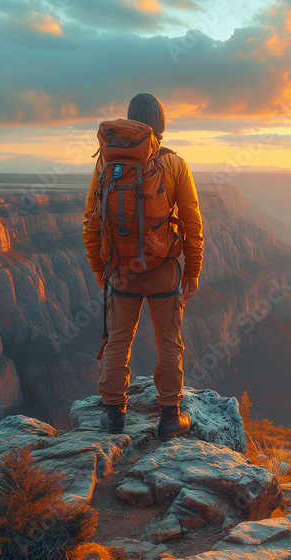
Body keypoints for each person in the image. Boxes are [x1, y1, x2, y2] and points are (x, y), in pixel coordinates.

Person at [81, 92, 204, 439]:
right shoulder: (175, 164)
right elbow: (193, 223)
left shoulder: (107, 162)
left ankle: (114, 416)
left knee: (119, 340)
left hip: (120, 271)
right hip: (163, 270)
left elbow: (90, 219)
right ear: (162, 125)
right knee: (169, 341)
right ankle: (169, 416)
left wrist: (96, 266)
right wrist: (193, 270)